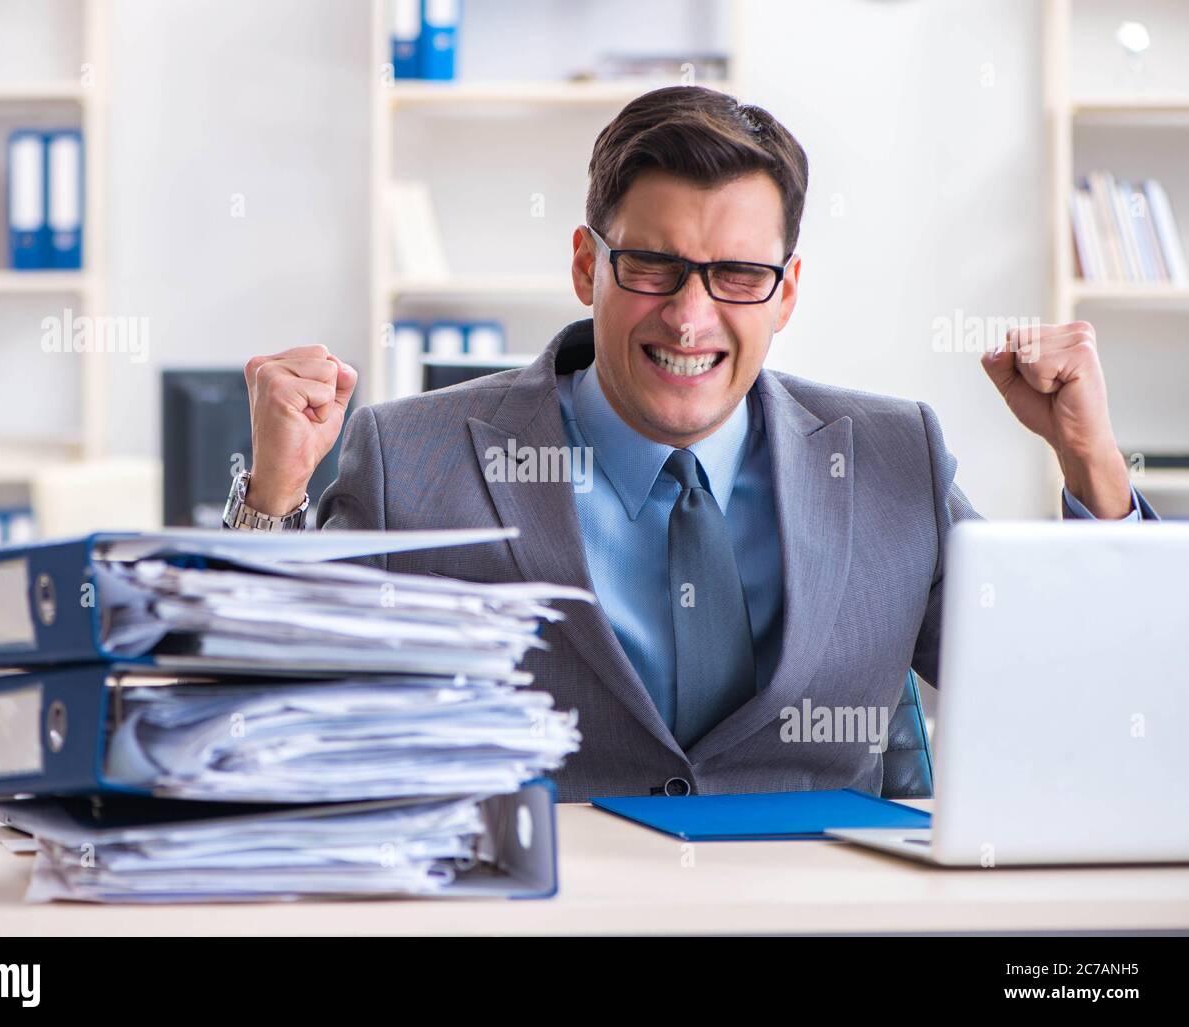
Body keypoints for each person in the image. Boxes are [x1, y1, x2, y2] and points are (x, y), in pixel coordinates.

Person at [226, 87, 1153, 802]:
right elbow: (259, 730)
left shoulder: (889, 454)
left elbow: (1078, 698)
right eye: (654, 264)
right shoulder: (411, 455)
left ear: (787, 293)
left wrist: (1095, 471)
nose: (690, 314)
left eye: (738, 273)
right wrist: (274, 500)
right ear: (589, 264)